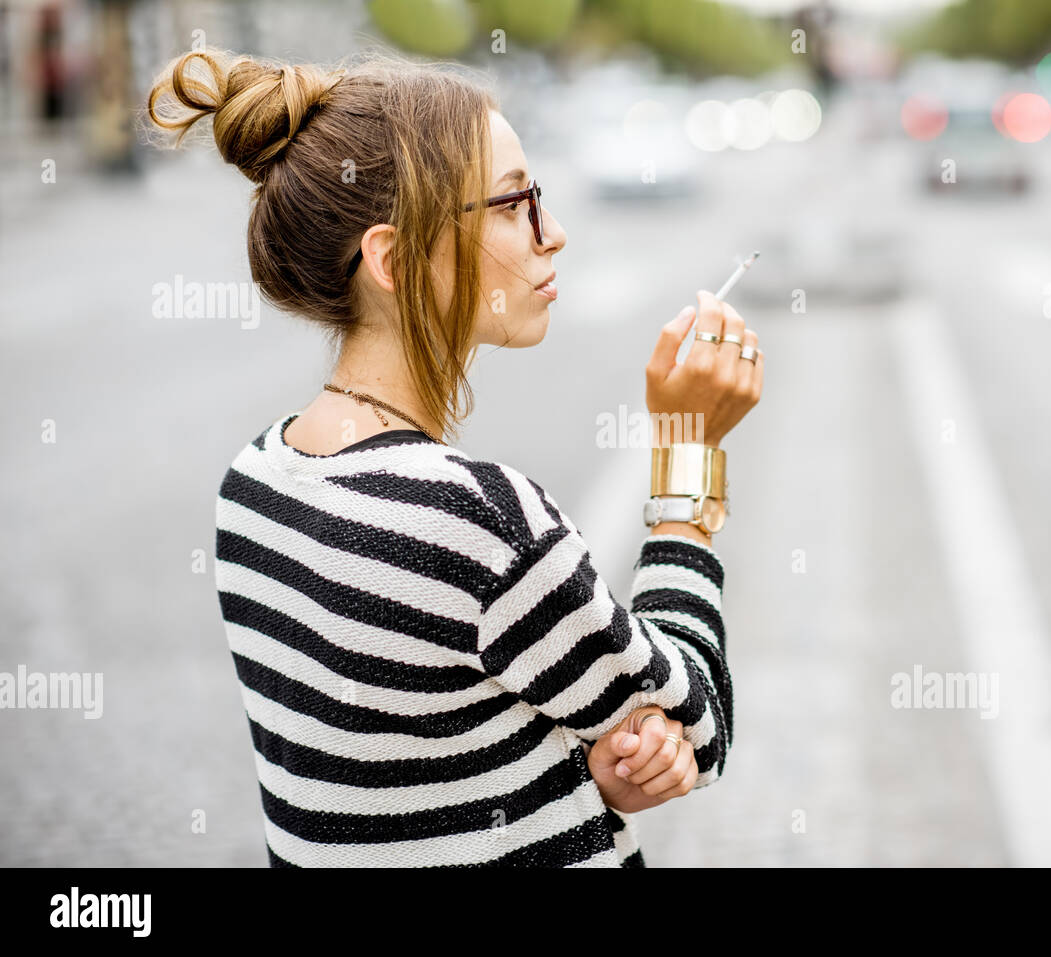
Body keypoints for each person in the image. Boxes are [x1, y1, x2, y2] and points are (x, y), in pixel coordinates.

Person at [145, 48, 763, 867]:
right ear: (394, 260)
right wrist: (689, 450)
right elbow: (700, 720)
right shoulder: (475, 522)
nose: (554, 233)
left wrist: (591, 771)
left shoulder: (248, 488)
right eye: (513, 206)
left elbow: (412, 781)